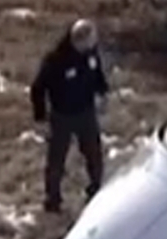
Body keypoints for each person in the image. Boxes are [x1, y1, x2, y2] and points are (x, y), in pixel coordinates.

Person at [30, 18, 110, 213]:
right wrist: (40, 115)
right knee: (56, 160)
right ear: (78, 41)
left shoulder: (90, 54)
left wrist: (103, 90)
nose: (93, 45)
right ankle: (53, 199)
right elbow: (37, 88)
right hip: (62, 117)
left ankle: (95, 189)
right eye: (90, 41)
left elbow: (97, 73)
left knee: (94, 154)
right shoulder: (56, 60)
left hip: (85, 114)